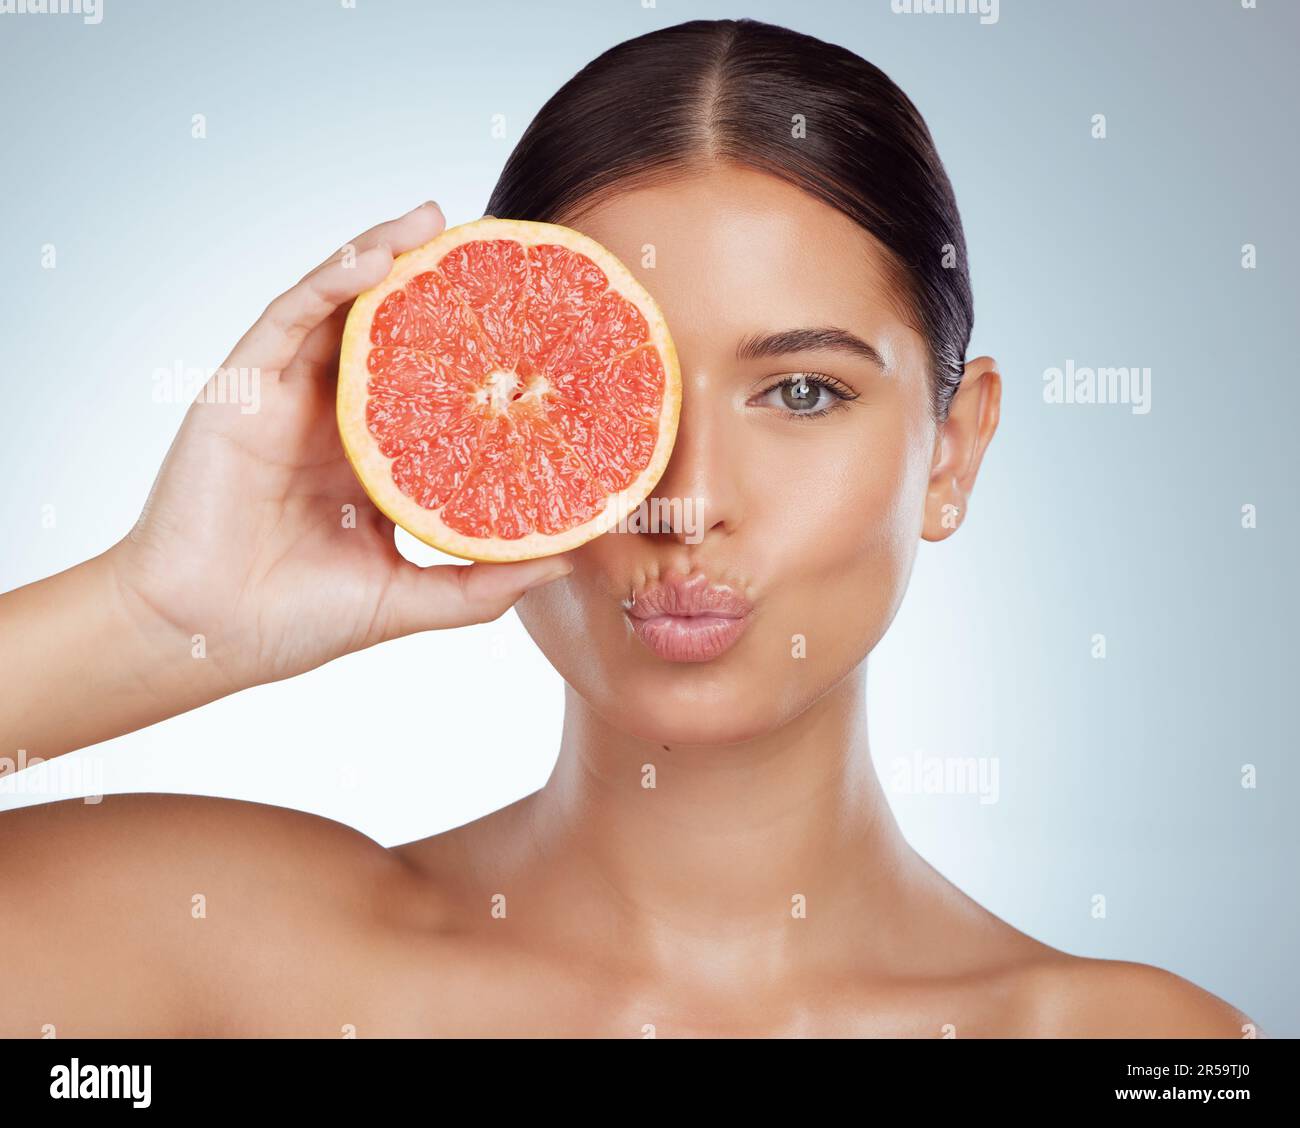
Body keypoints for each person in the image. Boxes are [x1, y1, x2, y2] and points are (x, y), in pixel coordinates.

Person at [0, 18, 1255, 1037]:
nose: (685, 496)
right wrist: (158, 618)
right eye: (610, 395)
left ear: (955, 452)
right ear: (486, 415)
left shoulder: (1143, 1047)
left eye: (801, 391)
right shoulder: (210, 955)